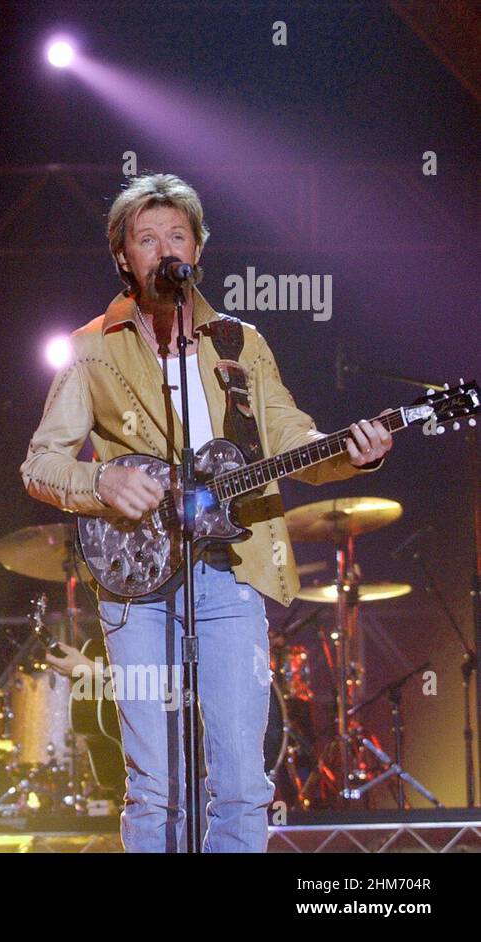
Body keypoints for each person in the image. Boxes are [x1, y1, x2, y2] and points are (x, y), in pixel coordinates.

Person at [20, 173, 392, 853]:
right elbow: (40, 463)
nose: (164, 248)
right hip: (137, 579)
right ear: (124, 258)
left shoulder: (240, 344)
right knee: (155, 784)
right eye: (146, 238)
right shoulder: (90, 348)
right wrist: (103, 479)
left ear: (198, 249)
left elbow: (294, 441)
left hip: (230, 572)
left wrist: (354, 453)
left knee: (243, 783)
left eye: (177, 235)